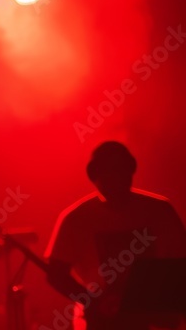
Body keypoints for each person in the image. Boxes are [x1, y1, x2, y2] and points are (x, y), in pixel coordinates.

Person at [45, 141, 186, 330]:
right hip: (103, 323)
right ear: (94, 176)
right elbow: (56, 274)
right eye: (107, 172)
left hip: (154, 322)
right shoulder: (76, 219)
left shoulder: (161, 211)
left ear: (130, 170)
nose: (115, 178)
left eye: (119, 170)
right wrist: (92, 301)